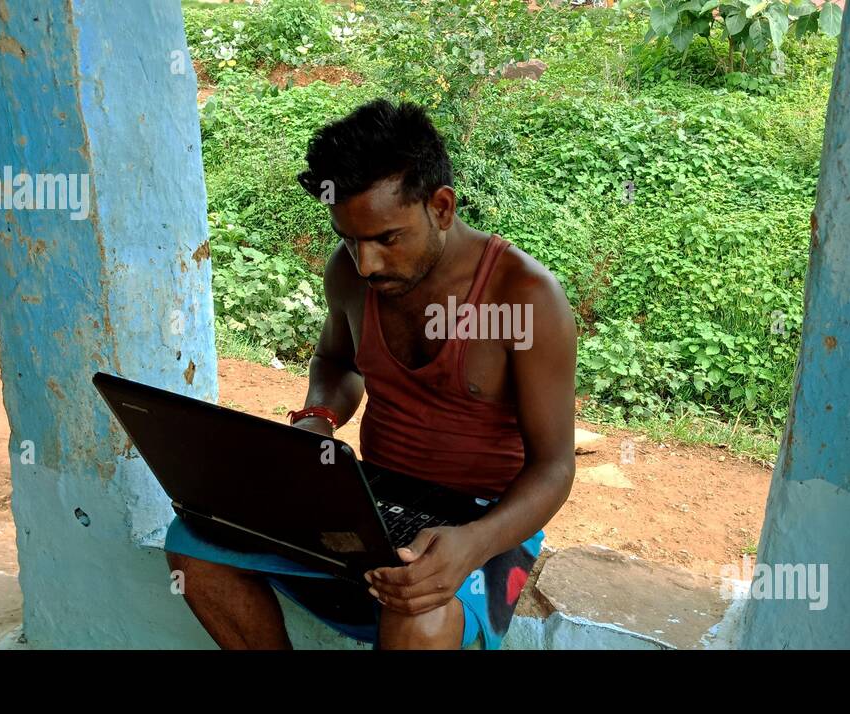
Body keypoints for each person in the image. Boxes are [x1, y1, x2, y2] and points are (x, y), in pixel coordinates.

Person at [165, 98, 577, 649]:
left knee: (421, 613)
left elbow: (554, 468)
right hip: (369, 499)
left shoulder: (525, 298)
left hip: (485, 518)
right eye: (349, 239)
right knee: (194, 545)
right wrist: (316, 420)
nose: (367, 264)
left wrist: (472, 544)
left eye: (387, 238)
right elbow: (336, 362)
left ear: (443, 207)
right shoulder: (351, 275)